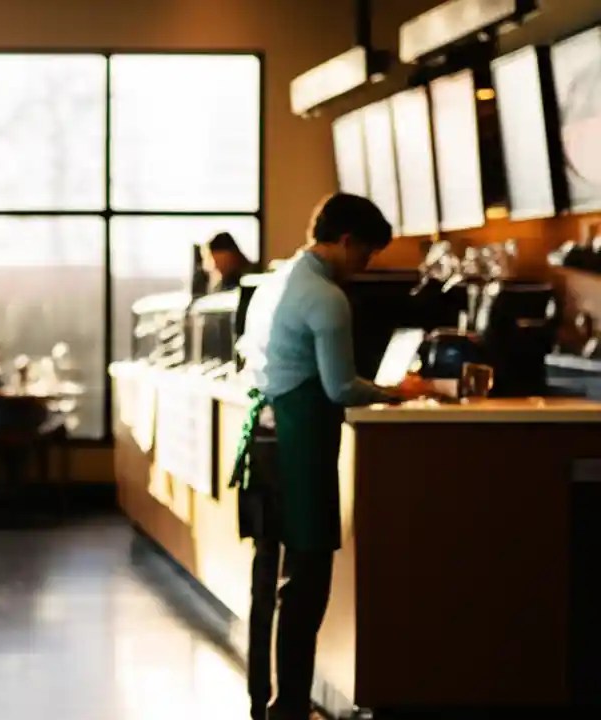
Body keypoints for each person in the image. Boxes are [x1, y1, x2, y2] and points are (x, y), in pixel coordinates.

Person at [233, 194, 429, 720]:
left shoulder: (275, 282)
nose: (365, 266)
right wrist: (397, 392)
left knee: (267, 577)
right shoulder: (325, 296)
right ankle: (291, 706)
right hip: (303, 449)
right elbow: (341, 387)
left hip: (264, 442)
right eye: (366, 254)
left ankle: (267, 700)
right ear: (347, 241)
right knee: (307, 582)